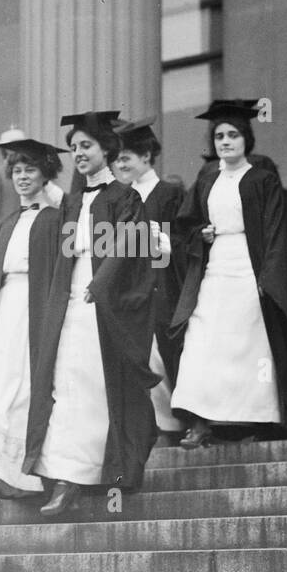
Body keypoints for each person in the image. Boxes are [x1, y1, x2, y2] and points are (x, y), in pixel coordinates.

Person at [21, 111, 158, 518]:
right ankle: (66, 476)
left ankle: (98, 472)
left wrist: (100, 286)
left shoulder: (125, 196)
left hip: (104, 303)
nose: (79, 153)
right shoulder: (73, 201)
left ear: (107, 149)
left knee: (96, 386)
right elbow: (65, 252)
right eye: (75, 147)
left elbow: (126, 247)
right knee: (66, 383)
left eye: (87, 146)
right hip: (71, 299)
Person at [171, 100, 287, 448]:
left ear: (246, 138)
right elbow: (185, 225)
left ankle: (256, 419)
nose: (225, 141)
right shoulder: (208, 179)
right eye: (219, 135)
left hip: (250, 270)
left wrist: (268, 278)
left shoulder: (262, 179)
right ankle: (202, 420)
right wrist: (200, 234)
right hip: (216, 266)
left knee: (249, 348)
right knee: (204, 341)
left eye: (233, 135)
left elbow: (276, 232)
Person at [0, 138, 64, 513]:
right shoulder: (6, 224)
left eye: (30, 170)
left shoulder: (55, 221)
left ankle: (29, 482)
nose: (22, 177)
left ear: (45, 174)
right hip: (2, 314)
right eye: (17, 171)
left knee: (22, 394)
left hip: (34, 315)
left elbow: (58, 278)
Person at [113, 116, 185, 436]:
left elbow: (179, 244)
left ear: (145, 156)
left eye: (126, 157)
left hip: (164, 285)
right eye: (116, 158)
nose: (120, 164)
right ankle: (158, 424)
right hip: (133, 290)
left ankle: (181, 420)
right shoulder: (122, 198)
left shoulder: (169, 193)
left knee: (167, 352)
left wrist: (156, 241)